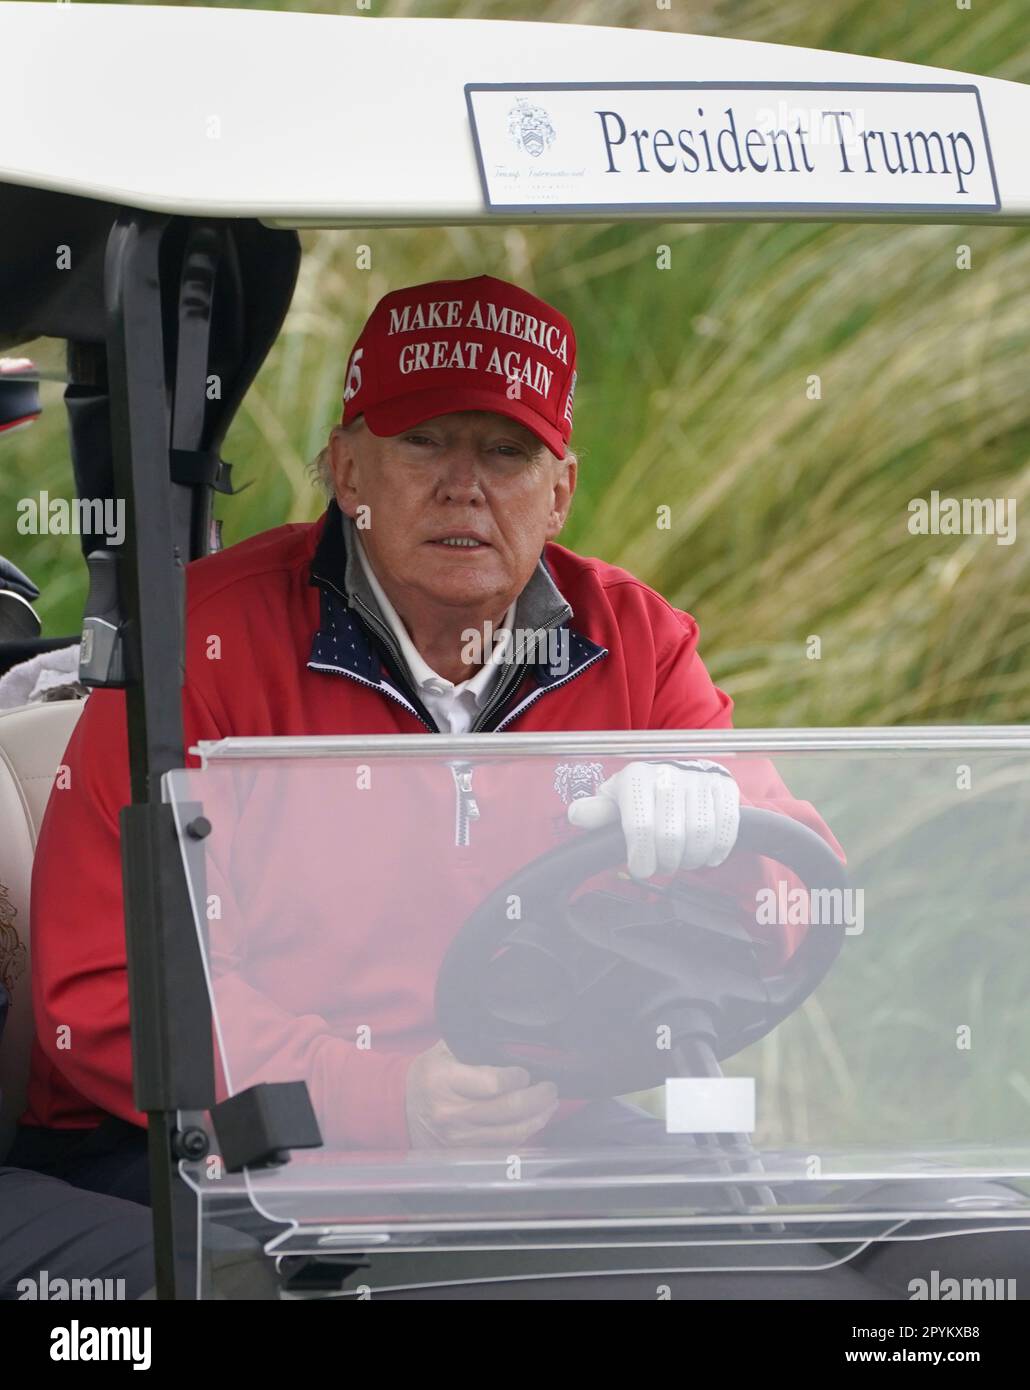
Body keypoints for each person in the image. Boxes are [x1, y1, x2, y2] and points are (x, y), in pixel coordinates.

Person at [13, 273, 836, 1197]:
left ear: (559, 491)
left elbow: (801, 897)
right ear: (349, 468)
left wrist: (725, 839)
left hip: (533, 1127)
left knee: (790, 1248)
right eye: (424, 443)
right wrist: (380, 1097)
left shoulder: (636, 643)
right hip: (225, 1141)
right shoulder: (198, 643)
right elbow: (108, 989)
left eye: (506, 451)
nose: (463, 487)